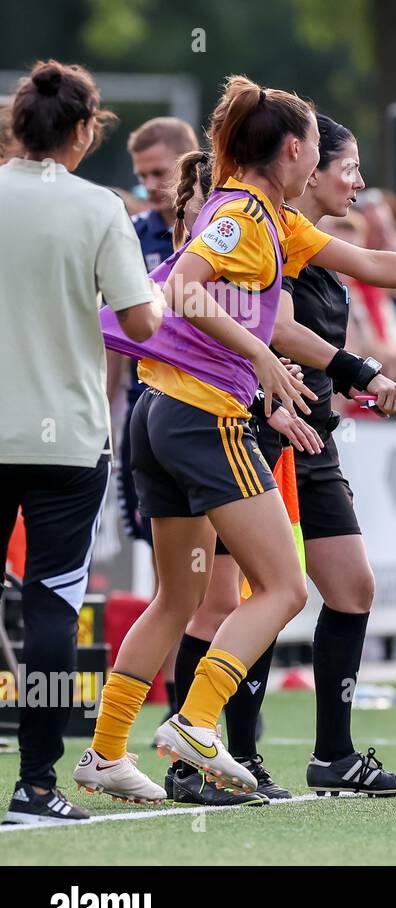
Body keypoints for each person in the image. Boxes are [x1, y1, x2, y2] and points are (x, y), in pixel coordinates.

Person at [74, 75, 396, 803]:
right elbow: (186, 289)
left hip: (162, 416)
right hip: (202, 416)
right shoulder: (238, 213)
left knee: (176, 597)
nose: (327, 165)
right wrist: (259, 354)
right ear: (293, 151)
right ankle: (197, 723)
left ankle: (105, 752)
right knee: (284, 588)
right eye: (321, 150)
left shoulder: (273, 216)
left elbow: (376, 263)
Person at [0, 60, 162, 824]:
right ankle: (36, 785)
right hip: (66, 437)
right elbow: (139, 324)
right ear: (84, 130)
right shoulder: (101, 208)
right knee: (52, 611)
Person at [110, 117, 203, 720]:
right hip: (155, 410)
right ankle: (183, 716)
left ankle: (204, 713)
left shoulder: (224, 229)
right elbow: (116, 335)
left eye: (160, 173)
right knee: (175, 580)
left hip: (217, 411)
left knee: (231, 582)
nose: (149, 187)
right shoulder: (133, 233)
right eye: (141, 175)